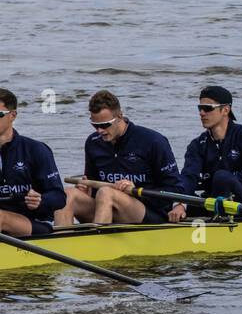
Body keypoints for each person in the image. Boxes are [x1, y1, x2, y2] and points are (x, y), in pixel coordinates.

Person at [55, 89, 184, 226]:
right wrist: (87, 190)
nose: (100, 131)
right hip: (106, 207)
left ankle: (99, 244)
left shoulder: (153, 141)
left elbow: (175, 189)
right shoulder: (93, 143)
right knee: (67, 194)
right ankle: (61, 240)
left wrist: (135, 191)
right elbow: (93, 185)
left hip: (148, 212)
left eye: (105, 125)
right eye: (95, 125)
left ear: (120, 116)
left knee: (106, 193)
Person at [169, 85, 242, 221]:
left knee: (222, 177)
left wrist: (229, 178)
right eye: (200, 108)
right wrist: (180, 203)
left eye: (208, 108)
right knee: (168, 196)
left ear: (225, 110)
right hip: (213, 204)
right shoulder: (197, 145)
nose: (202, 113)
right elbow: (189, 177)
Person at [0, 88, 66, 238]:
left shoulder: (35, 150)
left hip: (34, 222)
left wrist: (41, 201)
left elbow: (59, 197)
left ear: (13, 115)